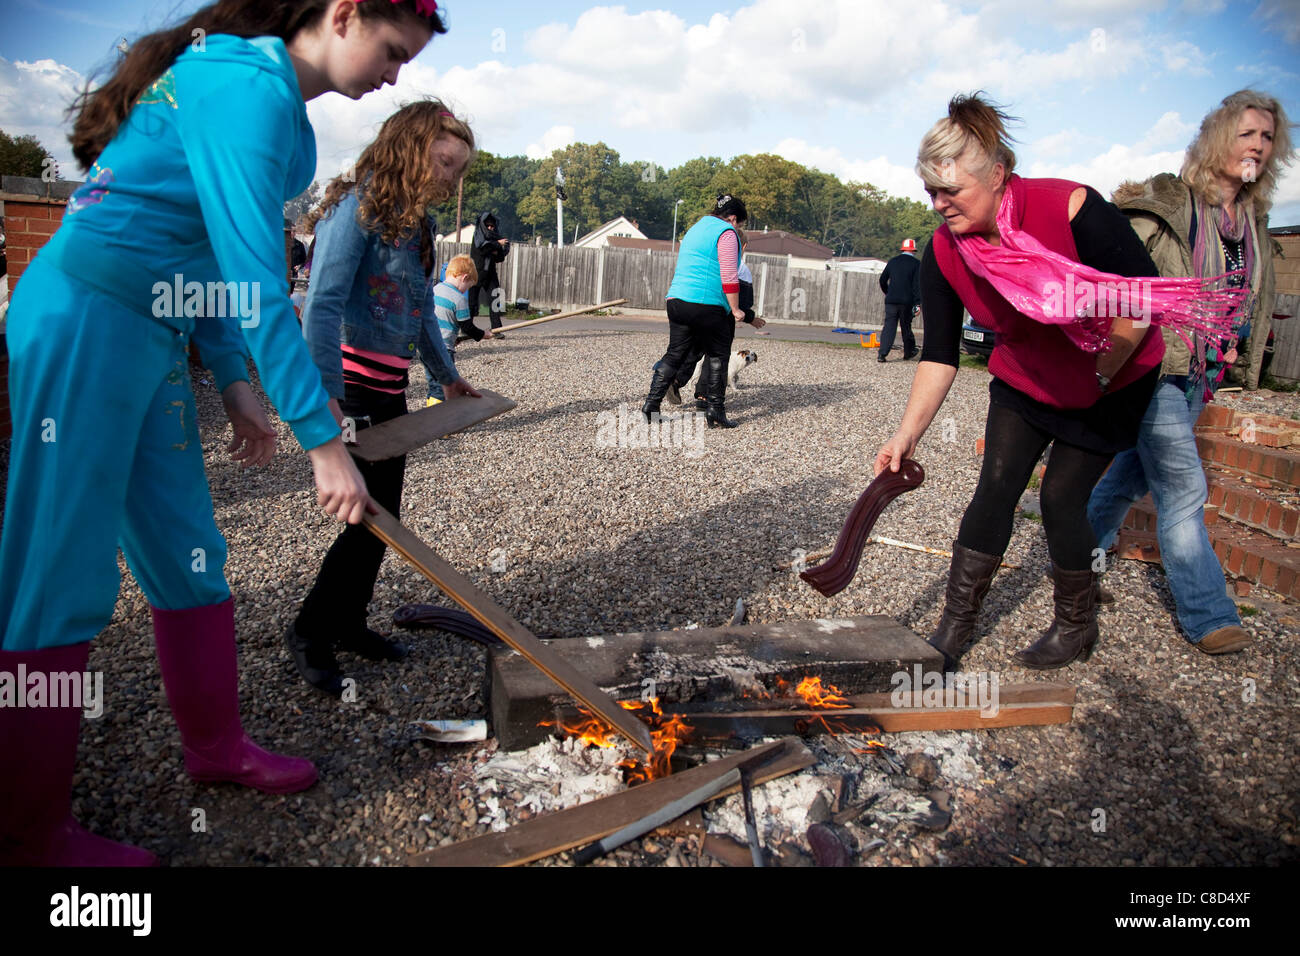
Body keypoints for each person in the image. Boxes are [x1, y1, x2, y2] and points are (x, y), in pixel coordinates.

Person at [0, 0, 447, 867]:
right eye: (394, 51)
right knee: (60, 573)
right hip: (85, 317)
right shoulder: (242, 88)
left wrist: (237, 380)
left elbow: (203, 255)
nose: (395, 74)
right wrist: (322, 440)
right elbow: (252, 274)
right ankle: (25, 832)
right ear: (345, 13)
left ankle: (216, 750)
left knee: (191, 553)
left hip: (151, 333)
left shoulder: (288, 121)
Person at [875, 94, 1242, 672]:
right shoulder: (944, 252)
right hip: (1026, 374)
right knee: (994, 488)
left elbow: (1140, 297)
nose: (939, 204)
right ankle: (954, 625)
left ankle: (1075, 624)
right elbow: (940, 355)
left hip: (1112, 376)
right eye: (931, 192)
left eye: (951, 191)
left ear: (997, 176)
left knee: (1060, 498)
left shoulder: (1069, 208)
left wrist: (1098, 374)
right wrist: (906, 436)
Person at [1087, 91, 1293, 656]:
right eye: (1246, 132)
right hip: (1158, 363)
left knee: (1130, 475)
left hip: (1203, 369)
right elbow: (1123, 270)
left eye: (1267, 137)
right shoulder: (1173, 202)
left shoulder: (1249, 222)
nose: (1257, 144)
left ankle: (1076, 566)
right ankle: (1210, 615)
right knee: (1182, 489)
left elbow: (1241, 299)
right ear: (1217, 138)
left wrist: (1233, 349)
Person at [289, 101, 480, 696]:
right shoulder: (357, 209)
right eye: (445, 162)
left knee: (382, 518)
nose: (451, 177)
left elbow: (422, 308)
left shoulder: (417, 225)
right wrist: (324, 397)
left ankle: (347, 623)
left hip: (391, 389)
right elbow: (320, 304)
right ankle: (310, 630)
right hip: (350, 390)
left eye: (459, 169)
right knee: (364, 515)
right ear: (411, 146)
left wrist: (445, 375)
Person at [643, 194, 750, 429]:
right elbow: (730, 275)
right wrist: (735, 308)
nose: (738, 227)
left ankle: (651, 406)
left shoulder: (695, 228)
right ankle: (715, 411)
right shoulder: (726, 232)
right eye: (739, 223)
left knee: (674, 354)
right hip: (707, 304)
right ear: (732, 218)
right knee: (718, 356)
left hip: (677, 300)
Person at [666, 229, 765, 408]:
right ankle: (704, 396)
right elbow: (743, 301)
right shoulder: (741, 268)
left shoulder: (712, 262)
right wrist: (750, 318)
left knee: (694, 351)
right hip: (721, 318)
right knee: (715, 357)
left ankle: (676, 380)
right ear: (743, 246)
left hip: (700, 311)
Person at [425, 253, 478, 405]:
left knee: (433, 381)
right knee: (443, 383)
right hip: (443, 349)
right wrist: (483, 334)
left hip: (426, 346)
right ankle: (436, 418)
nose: (465, 290)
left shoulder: (435, 290)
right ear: (464, 278)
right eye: (468, 287)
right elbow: (467, 327)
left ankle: (430, 410)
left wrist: (456, 338)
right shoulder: (459, 298)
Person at [877, 238, 921, 362]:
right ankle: (909, 352)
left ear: (902, 249)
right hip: (906, 301)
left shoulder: (893, 262)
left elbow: (882, 280)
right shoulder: (916, 264)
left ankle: (882, 354)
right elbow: (917, 285)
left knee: (889, 326)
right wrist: (918, 303)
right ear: (913, 250)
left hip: (891, 300)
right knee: (906, 326)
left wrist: (888, 292)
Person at [467, 212, 509, 338]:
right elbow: (483, 249)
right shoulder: (478, 237)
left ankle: (496, 329)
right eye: (488, 226)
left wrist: (497, 248)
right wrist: (496, 246)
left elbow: (499, 257)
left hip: (490, 273)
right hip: (476, 272)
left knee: (495, 299)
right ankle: (467, 329)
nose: (490, 228)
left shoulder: (494, 239)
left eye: (492, 226)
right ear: (483, 225)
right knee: (472, 302)